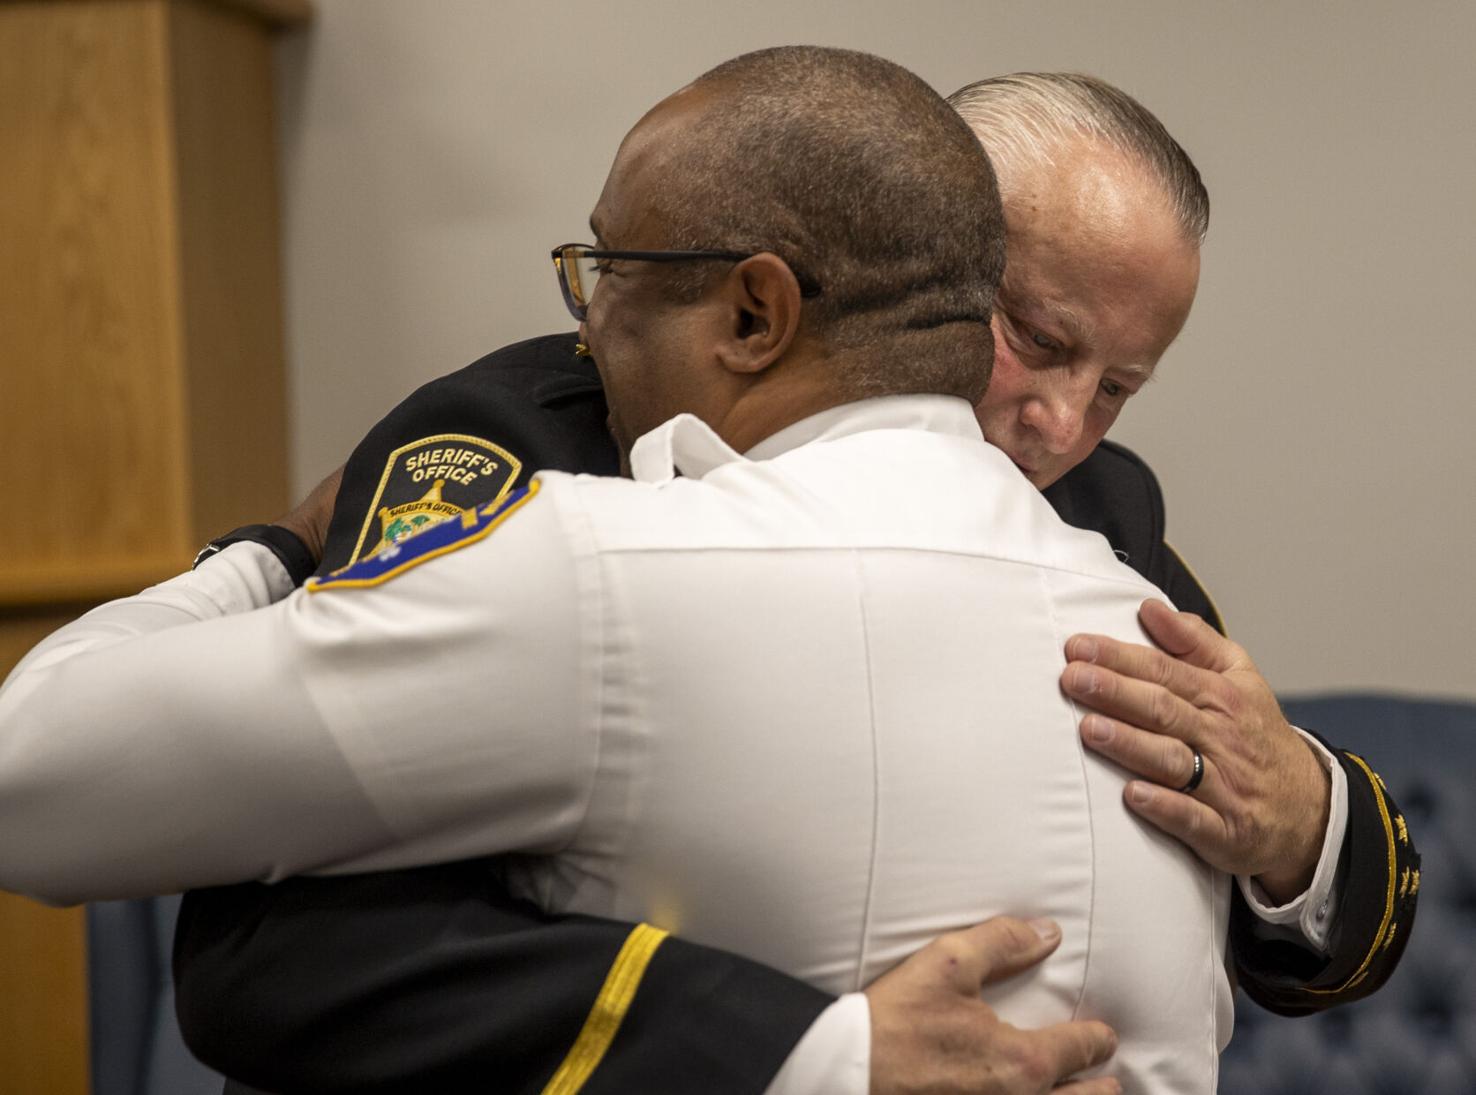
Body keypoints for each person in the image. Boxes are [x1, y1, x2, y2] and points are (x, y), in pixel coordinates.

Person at [0, 45, 1253, 1093]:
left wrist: (275, 552)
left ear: (756, 314)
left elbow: (34, 784)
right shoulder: (1135, 623)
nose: (586, 321)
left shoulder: (597, 562)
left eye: (613, 270)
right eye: (1038, 341)